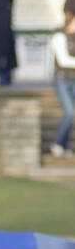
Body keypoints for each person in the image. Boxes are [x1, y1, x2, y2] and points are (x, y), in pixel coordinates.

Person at [51, 14, 75, 157]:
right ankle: (57, 143)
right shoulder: (59, 37)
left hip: (73, 79)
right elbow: (63, 60)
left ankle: (64, 146)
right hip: (62, 79)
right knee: (69, 112)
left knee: (73, 114)